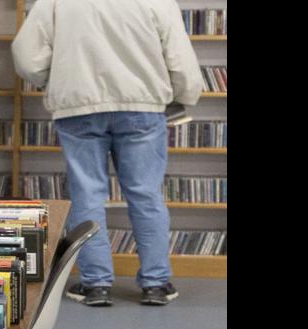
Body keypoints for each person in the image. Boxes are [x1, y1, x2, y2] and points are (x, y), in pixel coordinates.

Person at [13, 0, 203, 306]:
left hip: (78, 106)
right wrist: (185, 96)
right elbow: (179, 58)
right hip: (141, 106)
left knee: (87, 194)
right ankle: (156, 284)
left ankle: (95, 284)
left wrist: (54, 81)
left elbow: (26, 56)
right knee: (146, 194)